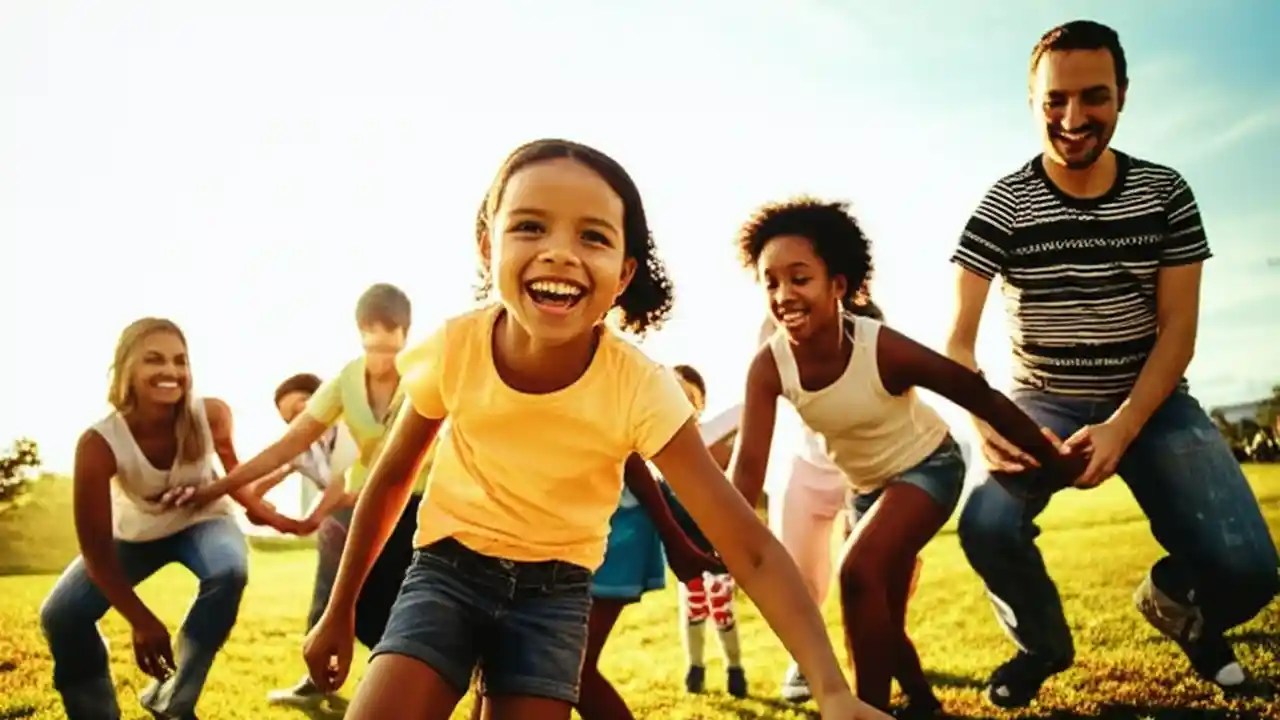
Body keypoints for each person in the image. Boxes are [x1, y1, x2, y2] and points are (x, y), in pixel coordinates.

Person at [300, 138, 884, 720]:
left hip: (553, 598)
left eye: (593, 236)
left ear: (624, 272)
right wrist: (339, 608)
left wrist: (831, 687)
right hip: (446, 574)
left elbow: (749, 547)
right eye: (530, 226)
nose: (559, 252)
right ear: (487, 246)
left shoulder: (638, 386)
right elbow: (392, 477)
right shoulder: (455, 347)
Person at [945, 19, 1280, 708]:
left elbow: (1178, 331)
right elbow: (956, 345)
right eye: (1054, 101)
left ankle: (1178, 604)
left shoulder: (1166, 193)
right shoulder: (1003, 205)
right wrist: (985, 423)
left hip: (1150, 399)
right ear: (1032, 101)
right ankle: (1040, 646)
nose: (1072, 119)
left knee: (1250, 571)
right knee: (985, 523)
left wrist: (1124, 426)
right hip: (1040, 397)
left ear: (1122, 95)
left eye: (1093, 97)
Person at [728, 197, 1084, 716]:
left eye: (799, 278)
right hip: (867, 490)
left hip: (930, 466)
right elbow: (747, 470)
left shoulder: (880, 348)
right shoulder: (769, 368)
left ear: (839, 285)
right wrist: (717, 539)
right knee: (880, 616)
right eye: (771, 282)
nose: (784, 295)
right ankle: (923, 704)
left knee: (857, 574)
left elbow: (974, 394)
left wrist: (1053, 461)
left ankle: (865, 711)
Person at [171, 283, 435, 704]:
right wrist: (217, 488)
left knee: (418, 606)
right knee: (362, 609)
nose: (382, 343)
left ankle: (434, 687)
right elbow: (288, 446)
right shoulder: (345, 382)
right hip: (371, 506)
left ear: (406, 332)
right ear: (360, 331)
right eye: (371, 331)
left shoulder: (424, 371)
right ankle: (342, 680)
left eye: (392, 332)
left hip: (424, 506)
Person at [38, 318, 293, 720]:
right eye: (154, 360)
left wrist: (265, 514)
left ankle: (173, 701)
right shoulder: (99, 443)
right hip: (136, 534)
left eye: (180, 360)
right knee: (61, 615)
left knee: (229, 569)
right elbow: (95, 549)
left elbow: (233, 473)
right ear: (127, 369)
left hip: (203, 521)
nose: (170, 371)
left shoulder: (210, 414)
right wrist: (140, 620)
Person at [245, 372, 362, 706]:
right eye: (289, 420)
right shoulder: (305, 449)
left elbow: (342, 484)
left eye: (300, 410)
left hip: (381, 522)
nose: (298, 423)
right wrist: (259, 506)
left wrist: (309, 520)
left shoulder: (352, 429)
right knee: (331, 594)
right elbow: (261, 483)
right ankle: (318, 680)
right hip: (344, 528)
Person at [661, 364, 748, 699]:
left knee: (721, 605)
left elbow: (745, 411)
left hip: (718, 541)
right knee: (694, 604)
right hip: (687, 543)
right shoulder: (660, 443)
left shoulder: (711, 433)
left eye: (687, 396)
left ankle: (735, 668)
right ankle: (695, 668)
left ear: (699, 402)